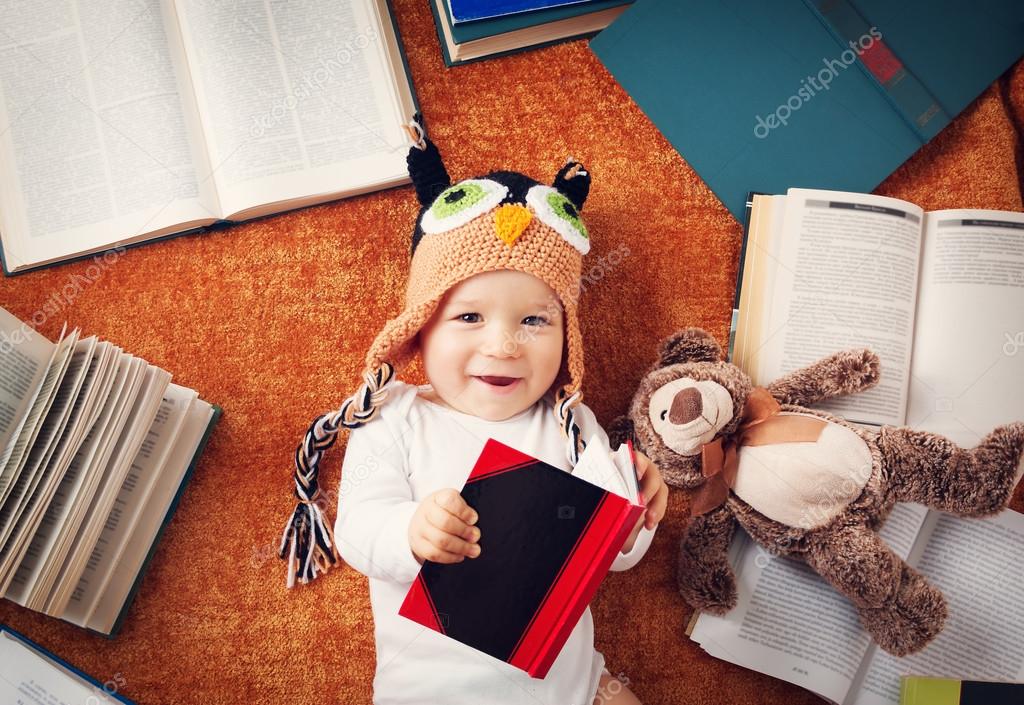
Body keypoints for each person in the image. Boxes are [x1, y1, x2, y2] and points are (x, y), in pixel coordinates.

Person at [279, 126, 668, 705]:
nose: (505, 345)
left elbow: (608, 561)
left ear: (568, 339)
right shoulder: (396, 417)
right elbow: (359, 533)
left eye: (535, 321)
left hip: (573, 687)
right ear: (420, 328)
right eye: (468, 318)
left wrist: (634, 516)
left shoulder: (570, 424)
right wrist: (412, 532)